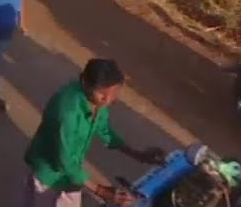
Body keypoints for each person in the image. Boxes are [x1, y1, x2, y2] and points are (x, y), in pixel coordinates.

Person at [23, 58, 166, 207]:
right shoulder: (67, 112)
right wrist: (101, 191)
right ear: (85, 82)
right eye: (102, 94)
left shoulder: (97, 101)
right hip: (49, 175)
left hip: (71, 174)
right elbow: (65, 161)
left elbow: (104, 131)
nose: (108, 99)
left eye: (114, 93)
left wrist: (137, 154)